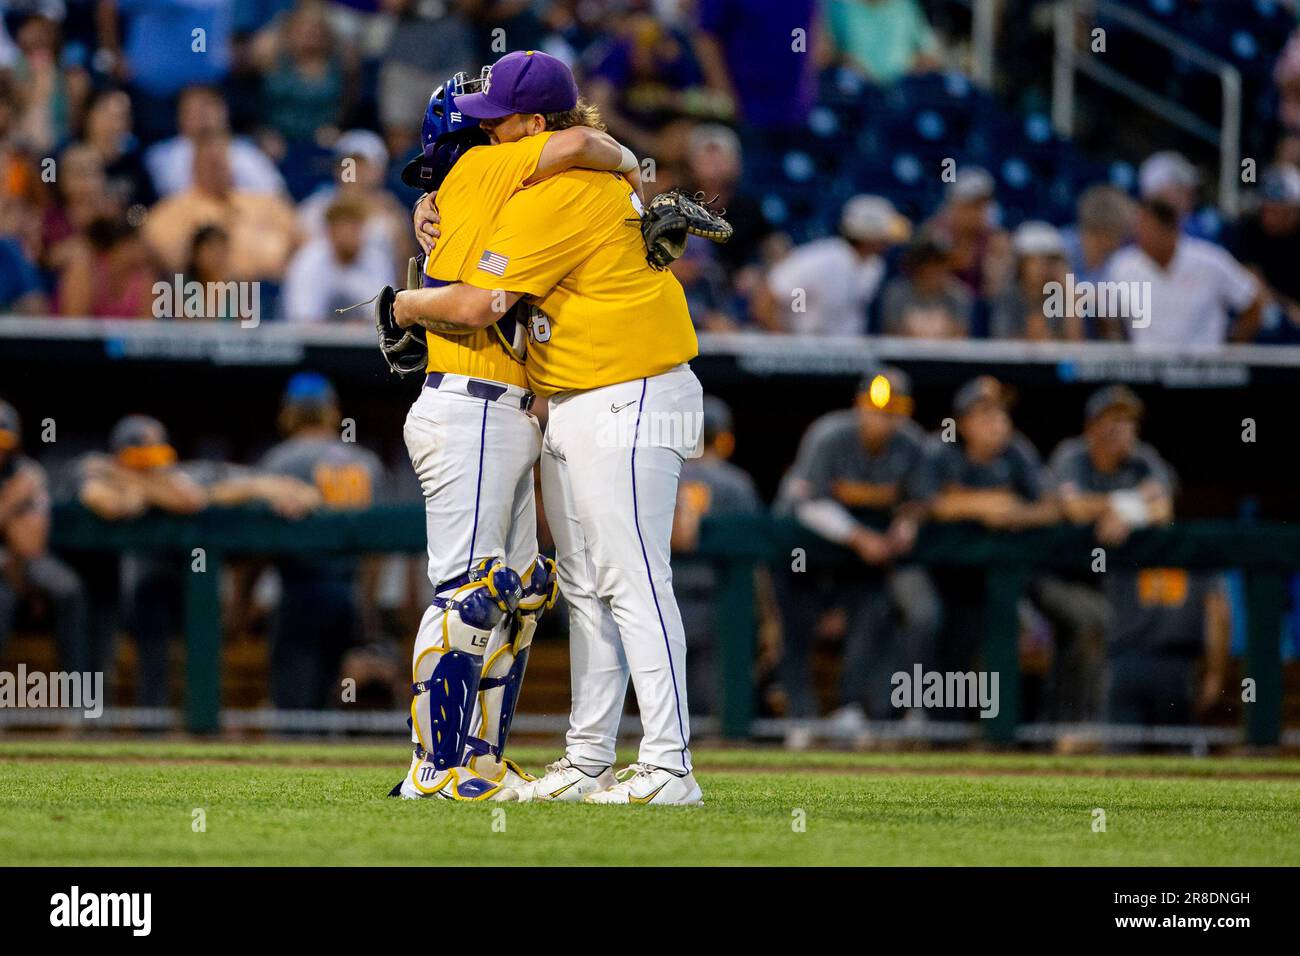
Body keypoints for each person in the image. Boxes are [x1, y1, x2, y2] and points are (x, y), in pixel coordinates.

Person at [396, 50, 706, 806]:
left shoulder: (560, 189)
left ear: (535, 125)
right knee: (590, 589)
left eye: (495, 125)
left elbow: (480, 305)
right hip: (576, 398)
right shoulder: (565, 178)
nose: (485, 139)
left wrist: (400, 306)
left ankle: (670, 765)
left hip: (628, 392)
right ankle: (590, 758)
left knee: (633, 581)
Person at [775, 368, 941, 741]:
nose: (880, 420)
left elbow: (920, 502)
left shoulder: (911, 445)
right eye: (873, 409)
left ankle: (855, 710)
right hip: (805, 554)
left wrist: (907, 522)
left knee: (875, 615)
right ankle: (800, 718)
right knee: (796, 626)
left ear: (904, 412)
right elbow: (809, 503)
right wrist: (859, 536)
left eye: (891, 412)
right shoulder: (829, 435)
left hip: (860, 563)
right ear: (858, 406)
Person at [259, 374, 381, 709]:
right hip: (349, 596)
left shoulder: (280, 461)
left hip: (300, 595)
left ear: (289, 412)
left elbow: (257, 551)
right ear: (332, 411)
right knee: (341, 702)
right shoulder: (366, 463)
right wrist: (367, 607)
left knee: (296, 708)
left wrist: (240, 609)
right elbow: (376, 553)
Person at [671, 396, 780, 715]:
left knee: (667, 701)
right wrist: (770, 616)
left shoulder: (661, 476)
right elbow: (756, 559)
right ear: (724, 438)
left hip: (661, 600)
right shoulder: (736, 483)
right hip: (720, 604)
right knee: (712, 707)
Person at [0, 399, 88, 673]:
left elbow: (32, 543)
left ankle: (76, 697)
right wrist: (11, 502)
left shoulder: (28, 473)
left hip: (24, 559)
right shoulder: (19, 485)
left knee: (69, 589)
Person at [143, 131, 301, 282]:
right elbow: (166, 257)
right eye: (210, 163)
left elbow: (301, 239)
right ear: (194, 167)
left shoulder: (265, 203)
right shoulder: (168, 213)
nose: (217, 169)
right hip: (204, 297)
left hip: (273, 292)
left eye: (221, 162)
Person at [1104, 198, 1262, 347]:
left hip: (1205, 369)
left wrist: (1232, 349)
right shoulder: (1123, 265)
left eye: (1147, 228)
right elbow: (1107, 315)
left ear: (1169, 229)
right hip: (1147, 369)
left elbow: (1251, 300)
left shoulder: (1210, 261)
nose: (1139, 235)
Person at [759, 194, 909, 335]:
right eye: (883, 237)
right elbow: (766, 298)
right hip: (805, 349)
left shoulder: (874, 266)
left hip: (844, 353)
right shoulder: (820, 258)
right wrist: (784, 346)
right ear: (869, 234)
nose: (888, 243)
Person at [282, 197, 395, 323]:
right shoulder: (307, 262)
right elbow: (302, 316)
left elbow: (385, 315)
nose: (347, 234)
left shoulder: (377, 261)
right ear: (329, 231)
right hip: (315, 340)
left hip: (368, 340)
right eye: (341, 227)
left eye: (353, 227)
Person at [989, 221, 1079, 341]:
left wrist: (1070, 294)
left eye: (1050, 260)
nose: (1044, 266)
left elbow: (1076, 343)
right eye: (1036, 260)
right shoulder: (1008, 295)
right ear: (1022, 263)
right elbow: (1001, 339)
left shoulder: (1060, 296)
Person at [820, 0, 942, 85]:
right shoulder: (837, 7)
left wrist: (915, 69)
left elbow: (930, 54)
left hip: (904, 93)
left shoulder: (906, 6)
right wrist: (842, 60)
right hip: (856, 91)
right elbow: (824, 53)